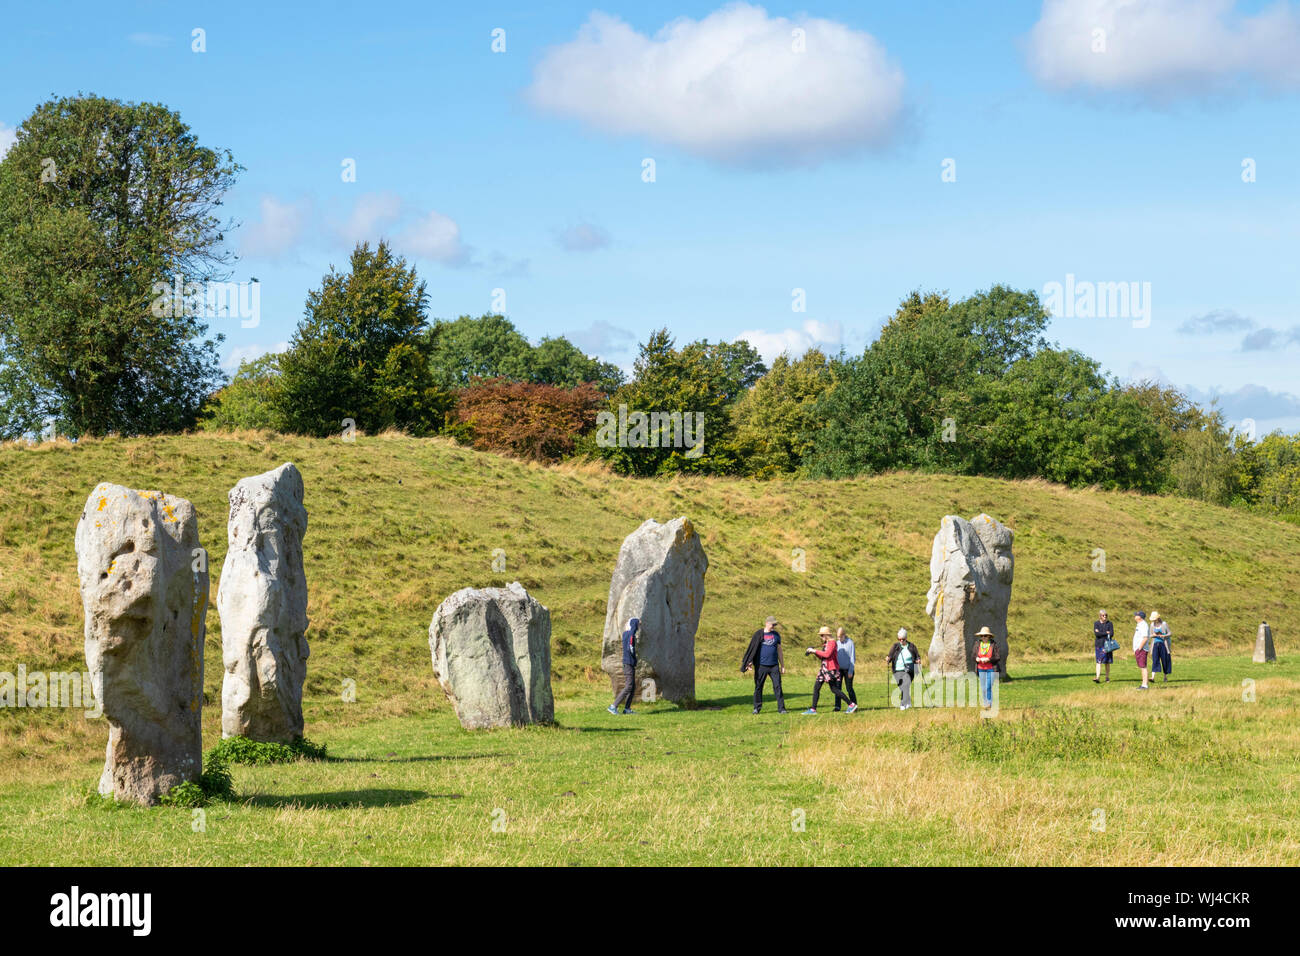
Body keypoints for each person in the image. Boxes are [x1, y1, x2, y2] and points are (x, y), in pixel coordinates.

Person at [803, 626, 856, 715]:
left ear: (827, 635)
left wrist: (815, 650)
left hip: (830, 669)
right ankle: (813, 709)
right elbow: (823, 657)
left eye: (822, 635)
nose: (821, 637)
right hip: (824, 669)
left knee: (834, 689)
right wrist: (813, 652)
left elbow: (827, 655)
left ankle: (851, 704)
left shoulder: (832, 643)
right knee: (816, 687)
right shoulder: (826, 643)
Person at [741, 616, 787, 714]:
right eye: (772, 624)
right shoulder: (758, 634)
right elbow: (753, 649)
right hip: (761, 666)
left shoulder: (776, 635)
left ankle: (781, 709)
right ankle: (757, 708)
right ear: (766, 623)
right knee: (758, 686)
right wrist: (749, 662)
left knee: (778, 686)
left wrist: (782, 665)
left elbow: (779, 650)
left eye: (775, 624)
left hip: (774, 665)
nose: (774, 626)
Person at [608, 617, 640, 714]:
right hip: (629, 663)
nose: (639, 627)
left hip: (627, 663)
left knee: (632, 686)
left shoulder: (625, 634)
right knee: (629, 686)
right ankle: (613, 706)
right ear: (634, 625)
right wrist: (634, 658)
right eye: (638, 625)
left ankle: (627, 709)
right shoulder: (631, 635)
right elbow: (630, 648)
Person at [885, 628, 921, 710]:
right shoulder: (895, 646)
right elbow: (890, 656)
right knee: (902, 686)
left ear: (906, 638)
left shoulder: (912, 646)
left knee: (905, 685)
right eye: (899, 639)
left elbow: (917, 656)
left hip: (910, 669)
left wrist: (918, 660)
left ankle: (902, 704)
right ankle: (908, 701)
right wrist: (888, 659)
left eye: (903, 639)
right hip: (897, 669)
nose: (901, 641)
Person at [974, 626, 1001, 708]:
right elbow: (973, 655)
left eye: (985, 635)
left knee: (988, 686)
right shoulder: (977, 644)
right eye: (981, 636)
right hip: (981, 669)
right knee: (983, 688)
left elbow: (997, 657)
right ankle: (986, 703)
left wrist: (988, 659)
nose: (983, 637)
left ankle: (989, 703)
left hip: (991, 669)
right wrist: (976, 658)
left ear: (989, 636)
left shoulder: (993, 644)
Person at [833, 626, 856, 712]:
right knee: (838, 689)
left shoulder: (850, 643)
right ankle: (837, 706)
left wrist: (851, 671)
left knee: (849, 688)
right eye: (838, 637)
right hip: (839, 670)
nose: (839, 638)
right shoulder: (837, 643)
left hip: (848, 670)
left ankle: (854, 705)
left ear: (844, 635)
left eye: (840, 637)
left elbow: (852, 658)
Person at [1093, 609, 1114, 683]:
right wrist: (1106, 633)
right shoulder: (1096, 623)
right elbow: (1096, 634)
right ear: (1100, 616)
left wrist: (1101, 633)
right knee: (1098, 661)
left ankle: (1107, 677)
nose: (1105, 616)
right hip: (1099, 645)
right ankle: (1097, 677)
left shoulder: (1110, 623)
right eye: (1103, 615)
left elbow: (1111, 634)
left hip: (1107, 645)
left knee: (1107, 662)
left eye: (1106, 615)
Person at [1150, 612, 1172, 683]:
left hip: (1164, 644)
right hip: (1155, 645)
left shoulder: (1164, 624)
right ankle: (1152, 677)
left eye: (1155, 619)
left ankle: (1165, 677)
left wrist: (1164, 636)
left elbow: (1170, 633)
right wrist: (1154, 635)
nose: (1153, 620)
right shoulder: (1152, 625)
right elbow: (1150, 635)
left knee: (1165, 660)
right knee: (1155, 660)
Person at [1132, 611, 1151, 690]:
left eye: (1136, 615)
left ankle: (1145, 685)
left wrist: (1139, 648)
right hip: (1139, 649)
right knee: (1141, 666)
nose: (1135, 616)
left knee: (1143, 666)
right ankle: (1143, 684)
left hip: (1142, 649)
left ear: (1140, 617)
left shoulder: (1143, 625)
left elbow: (1145, 637)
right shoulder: (1139, 624)